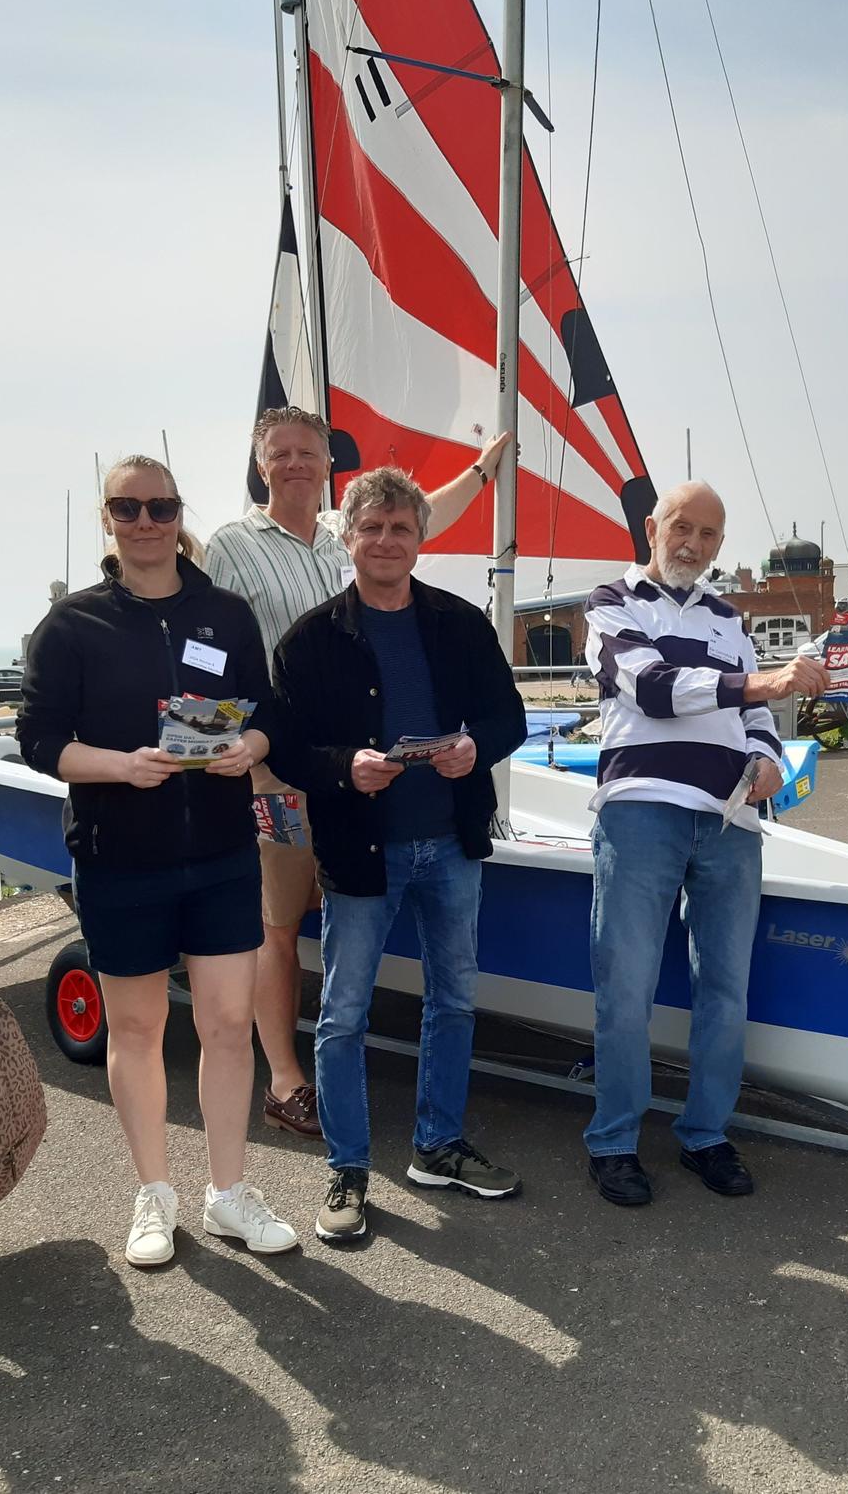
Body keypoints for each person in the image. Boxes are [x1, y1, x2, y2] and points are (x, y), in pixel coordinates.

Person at [201, 407, 511, 1144]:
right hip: (276, 763)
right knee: (279, 921)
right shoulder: (233, 545)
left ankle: (425, 1135)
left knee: (340, 923)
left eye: (309, 451)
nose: (296, 464)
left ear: (328, 463)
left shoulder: (344, 532)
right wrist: (208, 753)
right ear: (261, 463)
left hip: (376, 784)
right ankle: (285, 1078)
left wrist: (482, 470)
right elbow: (209, 646)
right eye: (281, 453)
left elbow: (415, 515)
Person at [19, 454, 299, 1265]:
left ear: (180, 515)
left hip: (220, 853)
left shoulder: (227, 614)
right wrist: (120, 765)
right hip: (120, 857)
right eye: (128, 508)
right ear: (106, 518)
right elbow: (40, 740)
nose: (146, 522)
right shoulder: (71, 624)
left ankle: (228, 1195)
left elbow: (269, 712)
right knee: (138, 1029)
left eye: (162, 507)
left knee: (227, 1026)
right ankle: (154, 1195)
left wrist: (250, 747)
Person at [270, 467, 528, 1242]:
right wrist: (342, 767)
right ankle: (347, 1168)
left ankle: (437, 1147)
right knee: (343, 1015)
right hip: (361, 850)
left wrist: (475, 748)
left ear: (421, 538)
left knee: (454, 1002)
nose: (386, 541)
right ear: (348, 538)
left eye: (401, 528)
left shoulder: (460, 623)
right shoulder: (308, 641)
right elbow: (285, 748)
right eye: (372, 528)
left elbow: (508, 717)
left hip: (451, 843)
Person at [581, 480, 827, 1207]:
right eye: (681, 527)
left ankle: (707, 1133)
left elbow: (758, 721)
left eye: (709, 534)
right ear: (652, 527)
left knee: (725, 987)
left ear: (721, 544)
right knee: (624, 986)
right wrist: (762, 683)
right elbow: (653, 688)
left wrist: (769, 759)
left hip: (730, 822)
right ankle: (614, 1141)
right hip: (641, 810)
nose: (692, 544)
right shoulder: (610, 603)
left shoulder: (728, 618)